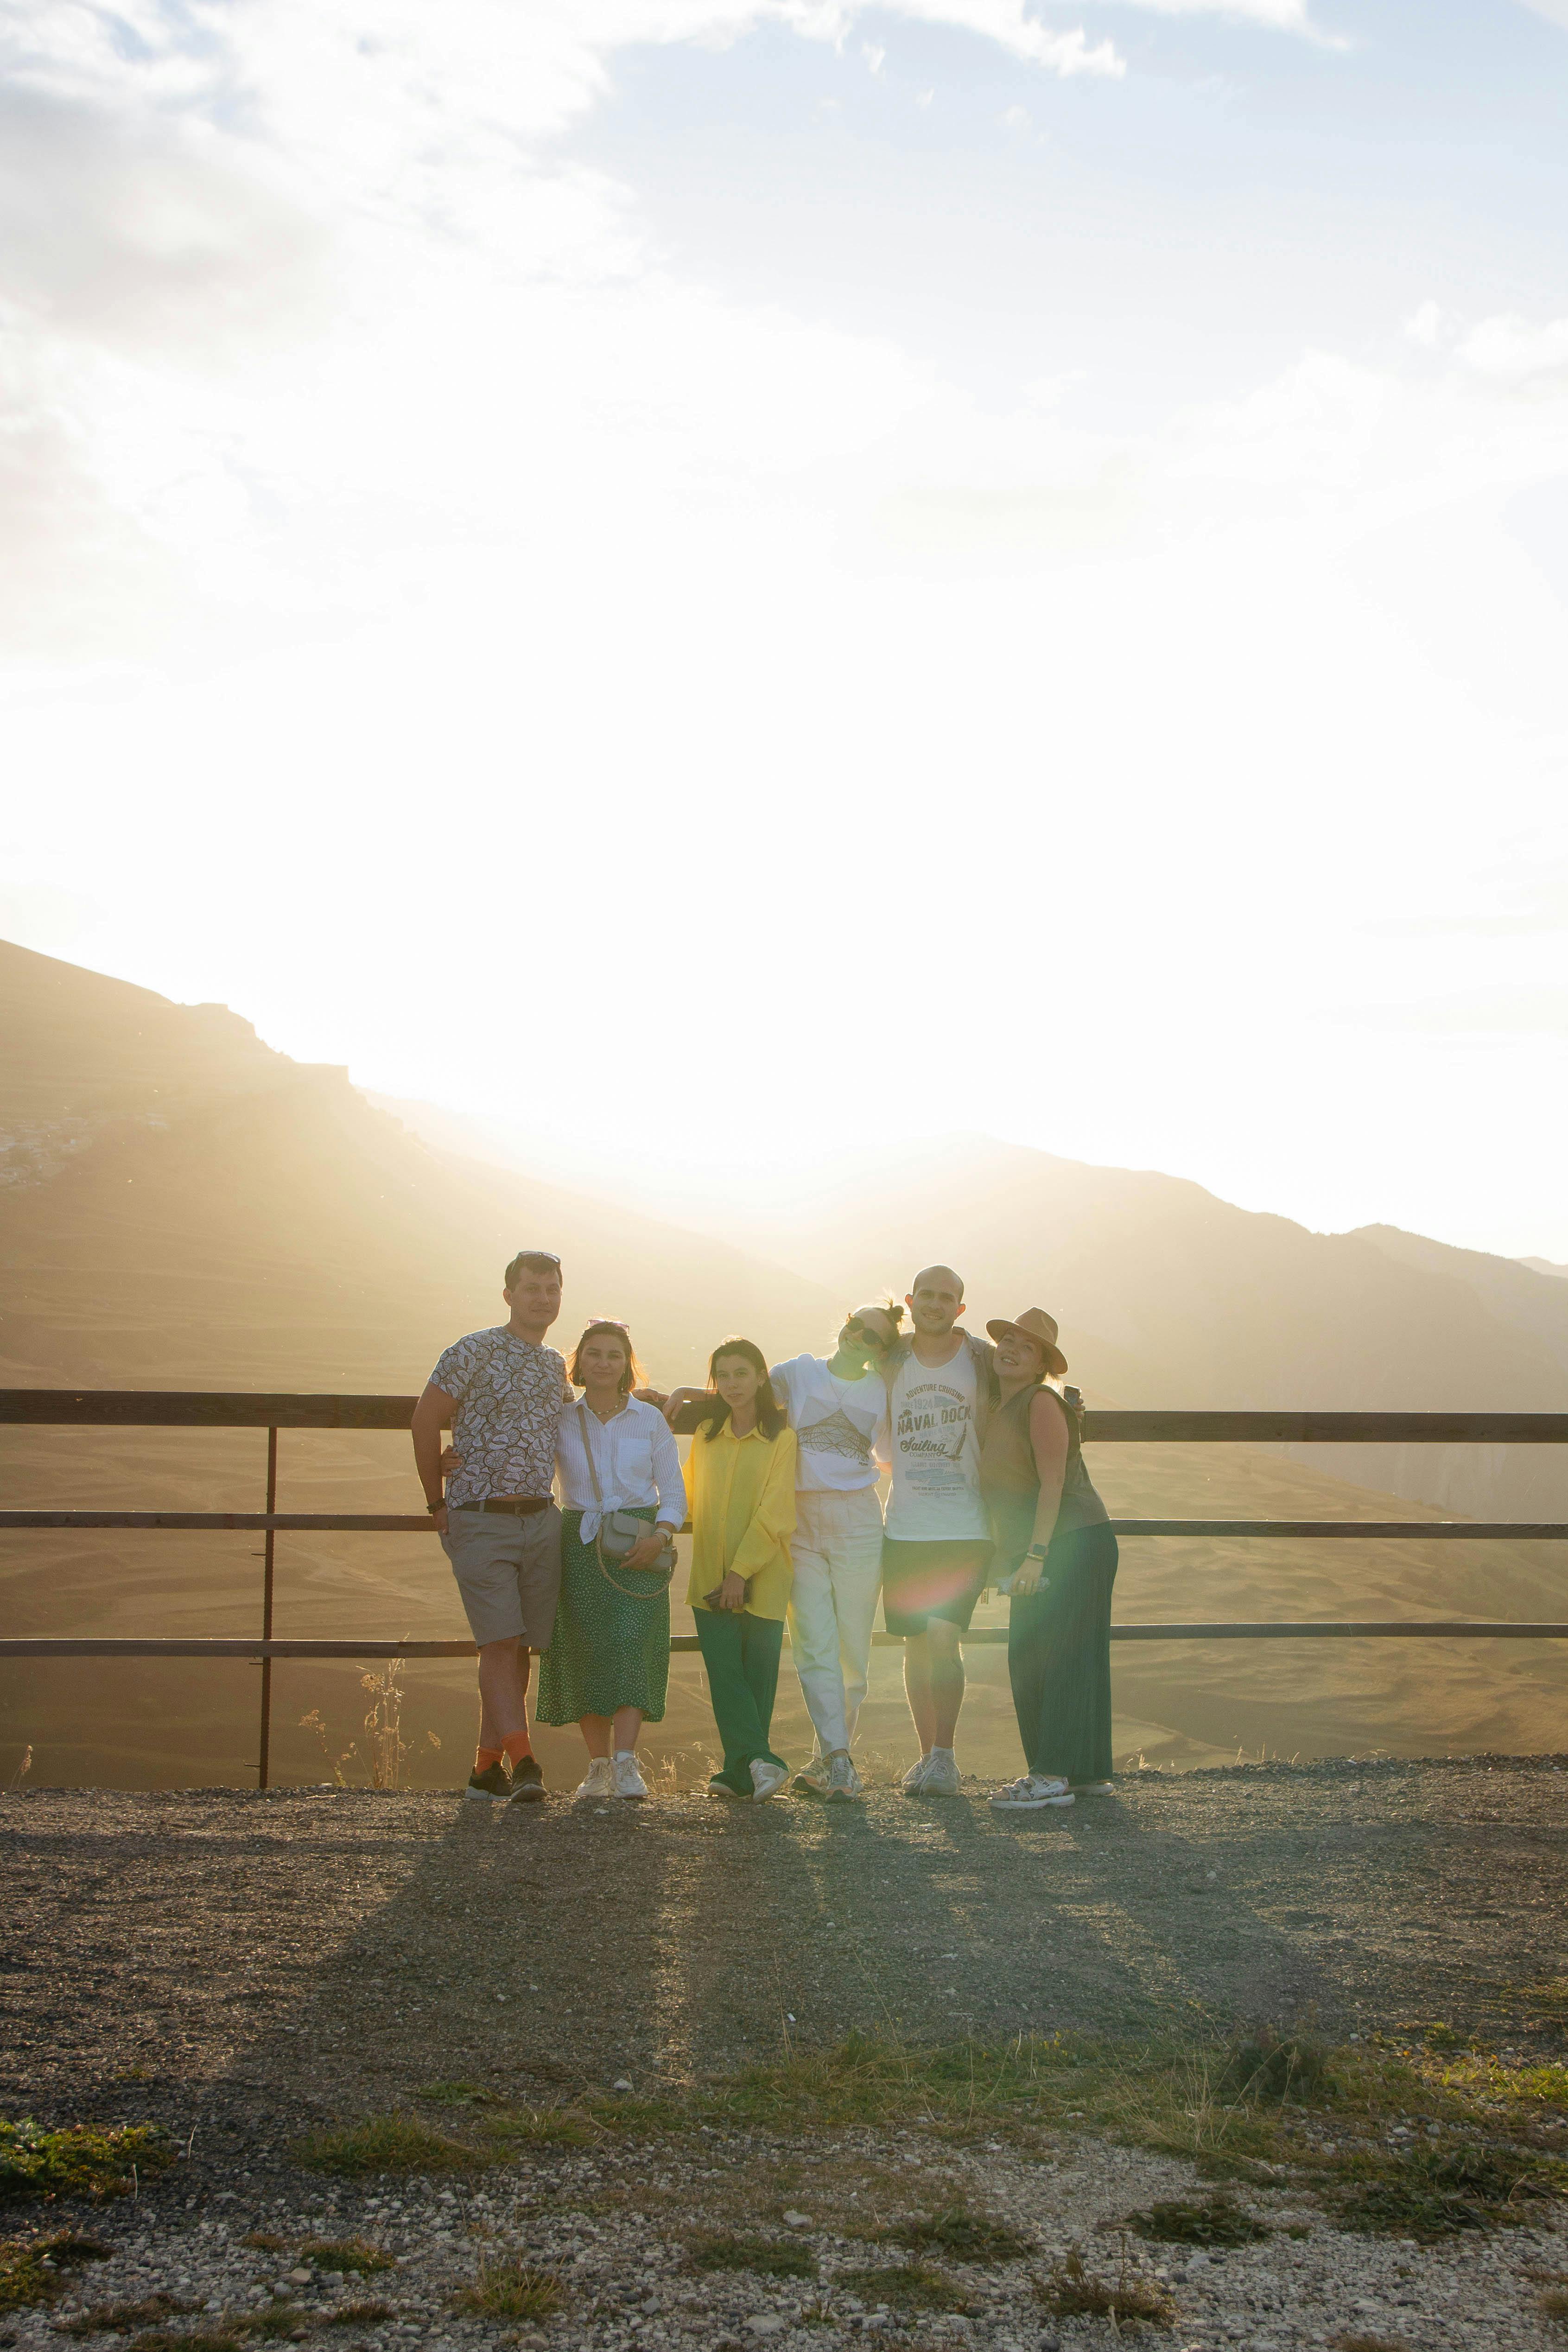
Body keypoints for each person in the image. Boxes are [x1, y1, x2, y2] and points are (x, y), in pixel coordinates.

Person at [411, 1249, 571, 1805]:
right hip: (478, 1516)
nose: (542, 1298)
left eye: (551, 1288)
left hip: (539, 1518)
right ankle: (526, 1762)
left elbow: (577, 1425)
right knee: (499, 1640)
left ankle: (485, 1770)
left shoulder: (555, 1365)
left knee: (516, 1646)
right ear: (508, 1294)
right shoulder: (472, 1349)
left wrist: (641, 1402)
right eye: (531, 1288)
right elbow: (425, 1418)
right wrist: (437, 1500)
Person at [539, 1321, 686, 1801]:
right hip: (578, 1541)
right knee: (584, 1648)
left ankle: (626, 1761)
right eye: (594, 1354)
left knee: (631, 1643)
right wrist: (458, 1461)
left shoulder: (649, 1420)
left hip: (639, 1539)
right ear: (578, 1361)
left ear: (627, 1364)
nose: (603, 1362)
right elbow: (521, 1462)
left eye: (614, 1355)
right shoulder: (559, 1418)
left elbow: (675, 1492)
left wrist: (660, 1535)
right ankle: (597, 1766)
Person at [979, 1308, 1117, 1812]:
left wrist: (1035, 1557)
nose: (1011, 1347)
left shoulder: (1039, 1402)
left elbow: (1054, 1483)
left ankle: (1049, 1775)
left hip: (1071, 1542)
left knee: (1053, 1655)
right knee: (1044, 1653)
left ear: (1041, 1364)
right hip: (1056, 1544)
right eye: (1008, 1339)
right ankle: (1082, 1773)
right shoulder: (1006, 1404)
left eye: (1027, 1346)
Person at [768, 1306, 901, 1799]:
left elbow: (890, 1452)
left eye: (870, 1337)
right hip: (798, 1517)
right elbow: (739, 1389)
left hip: (858, 1519)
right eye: (854, 1325)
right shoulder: (797, 1371)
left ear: (880, 1351)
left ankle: (832, 1756)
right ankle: (839, 1759)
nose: (855, 1337)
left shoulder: (883, 1389)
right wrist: (681, 1395)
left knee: (852, 1645)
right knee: (812, 1639)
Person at [880, 1264, 997, 1796]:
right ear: (909, 1300)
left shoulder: (980, 1360)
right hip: (904, 1525)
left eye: (945, 1297)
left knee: (942, 1637)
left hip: (963, 1525)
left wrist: (1070, 1402)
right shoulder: (889, 1358)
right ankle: (925, 1754)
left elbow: (1028, 1385)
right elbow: (821, 1379)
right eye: (925, 1294)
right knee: (913, 1645)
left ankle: (946, 1757)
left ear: (960, 1308)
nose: (933, 1303)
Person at [683, 1337, 799, 1800]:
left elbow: (775, 1512)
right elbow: (691, 1495)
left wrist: (741, 1572)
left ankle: (741, 1770)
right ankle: (757, 1763)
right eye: (723, 1375)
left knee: (755, 1681)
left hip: (764, 1578)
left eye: (741, 1373)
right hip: (709, 1576)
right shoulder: (706, 1434)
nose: (732, 1384)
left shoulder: (782, 1438)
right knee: (725, 1675)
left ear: (759, 1378)